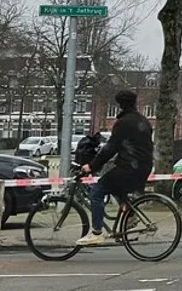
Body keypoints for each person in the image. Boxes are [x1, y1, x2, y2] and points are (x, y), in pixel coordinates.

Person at [76, 89, 154, 246]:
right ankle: (130, 214)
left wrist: (91, 166)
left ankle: (97, 233)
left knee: (97, 191)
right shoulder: (144, 121)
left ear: (120, 105)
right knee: (117, 186)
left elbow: (111, 148)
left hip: (130, 166)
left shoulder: (123, 123)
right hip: (144, 166)